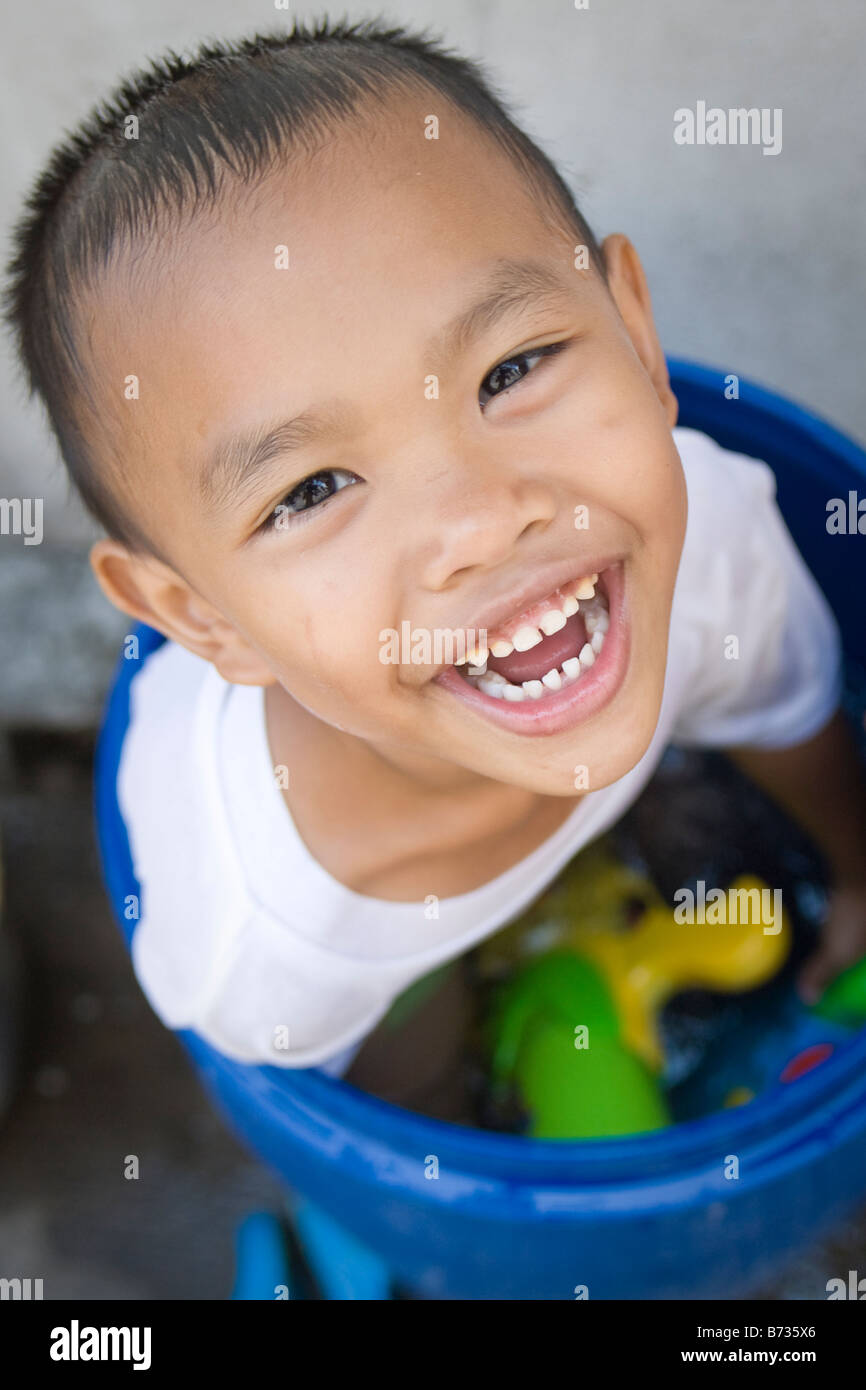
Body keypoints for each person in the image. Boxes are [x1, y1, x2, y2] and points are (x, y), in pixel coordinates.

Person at [6, 20, 866, 1120]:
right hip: (377, 951)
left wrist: (852, 871)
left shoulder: (711, 548)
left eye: (510, 368)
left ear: (636, 341)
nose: (482, 520)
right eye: (310, 490)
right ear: (201, 618)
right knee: (417, 1068)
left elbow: (786, 714)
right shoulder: (261, 931)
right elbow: (377, 1095)